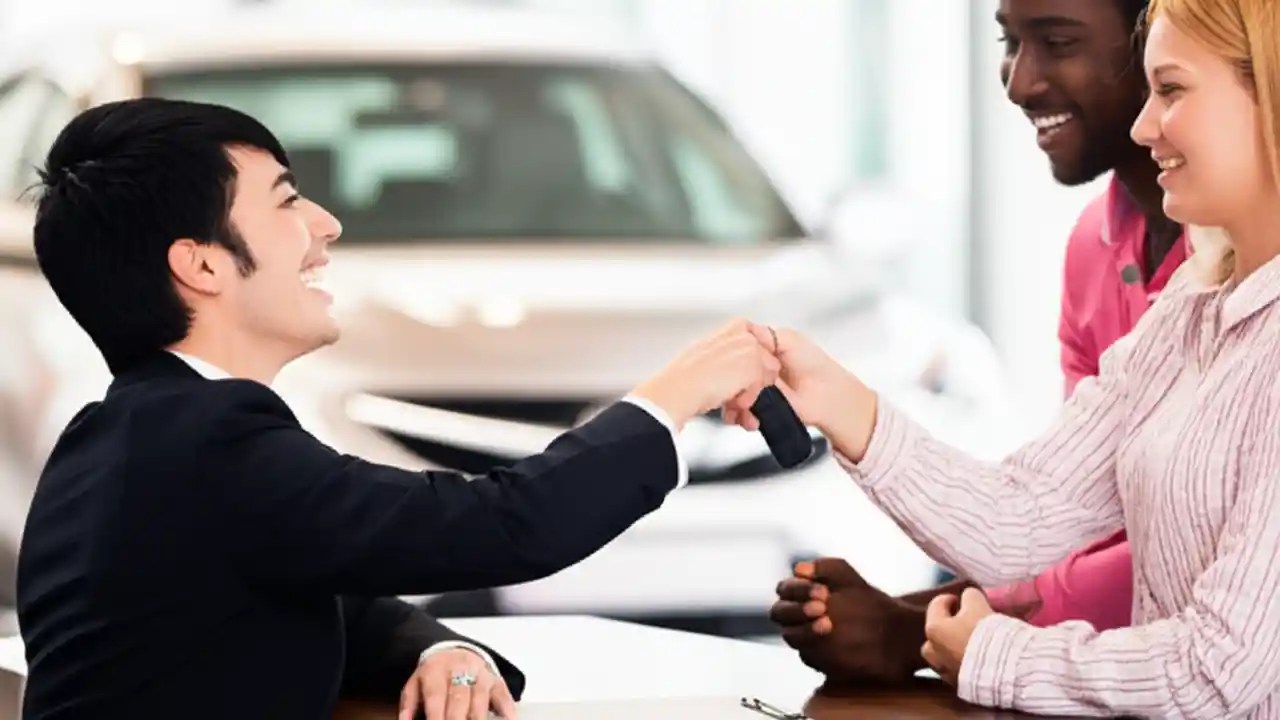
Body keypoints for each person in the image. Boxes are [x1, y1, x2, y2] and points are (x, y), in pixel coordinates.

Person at [15, 98, 782, 720]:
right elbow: (500, 525)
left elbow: (327, 590)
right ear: (203, 264)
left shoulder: (123, 435)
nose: (326, 223)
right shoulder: (208, 442)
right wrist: (677, 395)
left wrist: (438, 650)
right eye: (286, 201)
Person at [742, 0, 1280, 713]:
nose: (1145, 125)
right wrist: (834, 397)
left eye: (1172, 91)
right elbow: (1021, 517)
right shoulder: (1194, 305)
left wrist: (994, 653)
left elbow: (1217, 671)